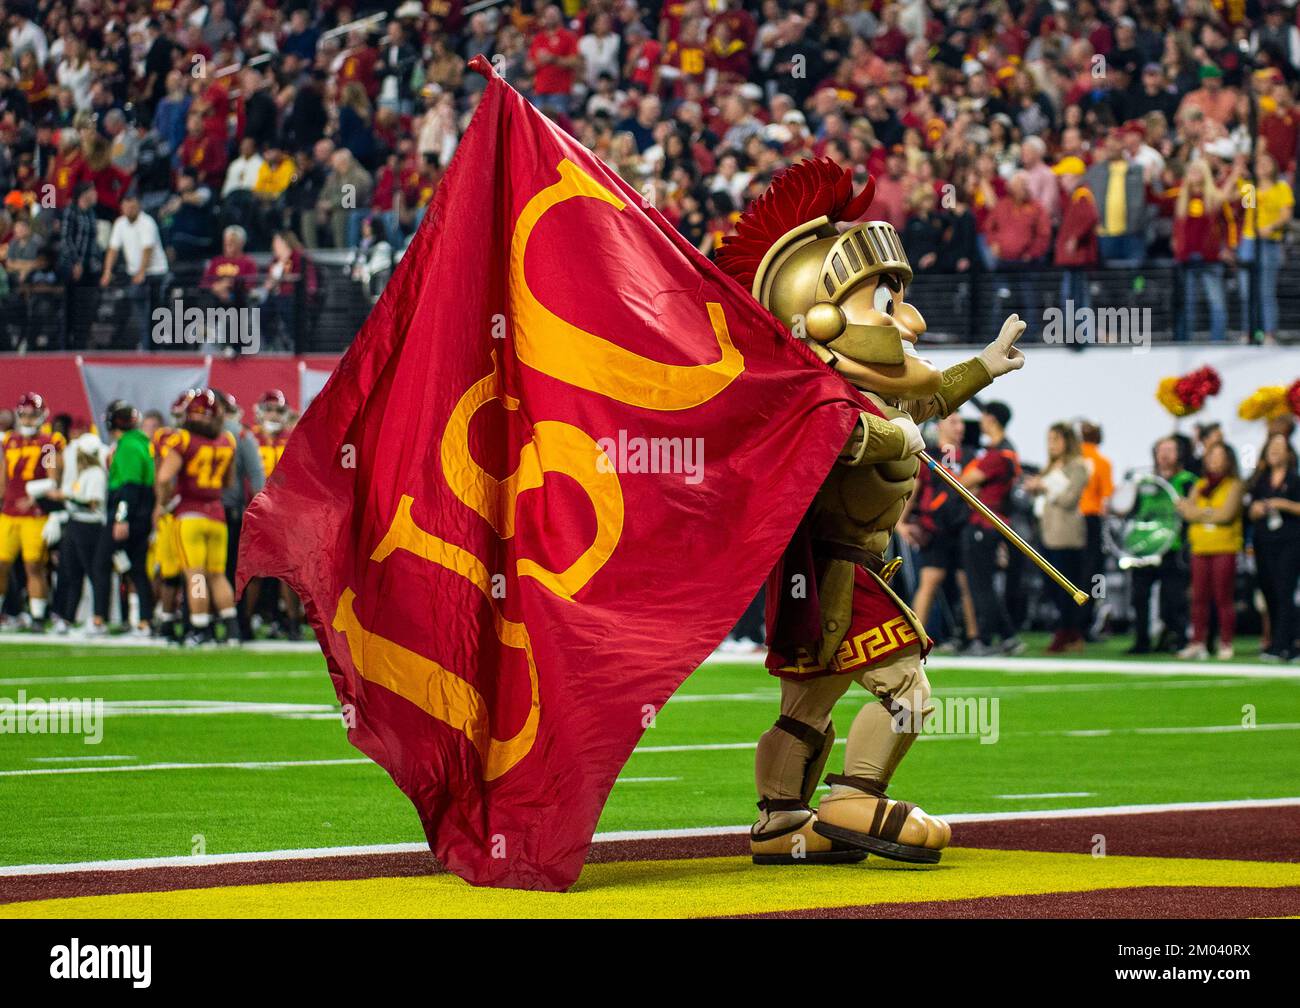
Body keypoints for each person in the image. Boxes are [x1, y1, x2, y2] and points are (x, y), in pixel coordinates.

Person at [713, 158, 1027, 867]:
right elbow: (833, 434)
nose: (905, 317)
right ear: (817, 316)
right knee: (908, 689)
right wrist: (893, 435)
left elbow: (924, 401)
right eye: (884, 302)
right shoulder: (811, 393)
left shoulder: (864, 389)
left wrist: (982, 365)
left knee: (808, 705)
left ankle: (779, 819)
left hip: (840, 569)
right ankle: (855, 797)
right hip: (837, 572)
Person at [154, 389, 239, 645]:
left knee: (196, 575)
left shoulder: (183, 439)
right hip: (217, 514)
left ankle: (200, 628)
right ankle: (231, 629)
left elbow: (164, 476)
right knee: (217, 574)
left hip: (189, 513)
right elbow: (228, 481)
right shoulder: (226, 441)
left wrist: (165, 501)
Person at [903, 412, 977, 652]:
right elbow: (916, 487)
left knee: (967, 582)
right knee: (930, 579)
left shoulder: (969, 455)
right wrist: (901, 523)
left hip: (963, 525)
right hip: (936, 527)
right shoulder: (929, 454)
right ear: (940, 425)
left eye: (961, 422)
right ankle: (915, 637)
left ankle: (973, 637)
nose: (960, 427)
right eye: (953, 422)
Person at [960, 401, 1025, 655]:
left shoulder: (998, 454)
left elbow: (964, 483)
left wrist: (972, 486)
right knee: (983, 583)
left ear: (992, 419)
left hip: (982, 522)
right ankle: (1004, 636)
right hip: (994, 522)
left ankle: (989, 639)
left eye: (984, 417)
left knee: (980, 584)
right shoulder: (1007, 451)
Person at [1024, 423, 1090, 653]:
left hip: (1066, 533)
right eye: (1049, 439)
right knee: (1050, 586)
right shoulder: (1050, 466)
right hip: (1047, 530)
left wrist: (1044, 487)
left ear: (1067, 441)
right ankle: (1070, 632)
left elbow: (1070, 498)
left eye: (1056, 439)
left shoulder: (1077, 466)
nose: (1051, 445)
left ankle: (1068, 631)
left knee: (1065, 586)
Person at [1127, 437, 1196, 654]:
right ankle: (1141, 640)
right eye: (1160, 450)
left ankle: (1177, 637)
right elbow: (1133, 510)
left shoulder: (1188, 481)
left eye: (1169, 450)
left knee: (1173, 598)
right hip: (1145, 546)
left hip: (1173, 547)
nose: (1164, 455)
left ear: (1180, 454)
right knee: (1139, 596)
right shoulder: (1146, 483)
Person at [0, 392, 63, 629]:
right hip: (8, 512)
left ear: (41, 416)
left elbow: (52, 480)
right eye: (24, 415)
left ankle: (38, 615)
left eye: (31, 415)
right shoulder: (9, 441)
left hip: (35, 514)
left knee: (33, 566)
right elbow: (3, 477)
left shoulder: (48, 443)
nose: (27, 420)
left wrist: (32, 496)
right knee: (1, 564)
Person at [1177, 442, 1244, 660]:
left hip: (1224, 546)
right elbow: (1187, 512)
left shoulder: (1234, 485)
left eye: (1219, 455)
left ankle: (1225, 642)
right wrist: (1206, 512)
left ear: (1229, 460)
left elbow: (1226, 515)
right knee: (1198, 598)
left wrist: (1199, 512)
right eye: (1211, 455)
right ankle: (1198, 642)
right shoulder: (1201, 484)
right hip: (1201, 547)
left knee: (1223, 597)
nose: (1214, 460)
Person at [96, 399, 154, 636]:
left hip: (128, 514)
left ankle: (98, 620)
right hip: (140, 514)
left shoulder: (128, 446)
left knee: (100, 563)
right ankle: (144, 621)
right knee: (136, 568)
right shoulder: (140, 443)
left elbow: (129, 487)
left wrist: (121, 518)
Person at [1247, 433, 1300, 661]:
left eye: (1280, 446)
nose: (1275, 451)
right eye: (1272, 447)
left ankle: (1285, 643)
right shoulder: (1259, 480)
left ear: (1289, 453)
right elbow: (1248, 511)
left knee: (1284, 589)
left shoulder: (1295, 480)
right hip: (1264, 541)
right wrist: (1256, 509)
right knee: (1268, 590)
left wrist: (1282, 504)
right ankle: (1277, 641)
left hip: (1289, 541)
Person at [48, 432, 107, 631]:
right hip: (76, 523)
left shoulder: (97, 474)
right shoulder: (84, 474)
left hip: (90, 526)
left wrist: (66, 497)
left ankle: (98, 619)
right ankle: (67, 617)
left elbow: (93, 503)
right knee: (70, 572)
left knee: (93, 572)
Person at [101, 193, 169, 351]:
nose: (129, 209)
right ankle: (144, 344)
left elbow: (148, 249)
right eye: (126, 205)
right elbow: (112, 249)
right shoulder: (120, 223)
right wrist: (107, 271)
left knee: (153, 311)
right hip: (135, 274)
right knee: (139, 310)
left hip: (155, 273)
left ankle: (153, 346)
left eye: (132, 205)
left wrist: (141, 272)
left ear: (139, 205)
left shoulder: (147, 222)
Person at [1237, 152, 1293, 344]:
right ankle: (1247, 332)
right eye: (1259, 162)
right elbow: (1244, 206)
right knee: (1246, 290)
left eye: (1266, 161)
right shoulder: (1251, 188)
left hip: (1270, 242)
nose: (1262, 165)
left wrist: (1272, 226)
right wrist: (1239, 171)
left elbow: (1286, 214)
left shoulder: (1281, 187)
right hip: (1249, 241)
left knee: (1266, 290)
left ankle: (1269, 333)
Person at [1173, 160, 1227, 342]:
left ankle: (1217, 342)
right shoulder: (1180, 197)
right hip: (1186, 258)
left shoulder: (1215, 197)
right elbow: (1156, 199)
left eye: (1199, 170)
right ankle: (1184, 342)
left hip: (1210, 258)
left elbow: (1243, 206)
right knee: (1187, 305)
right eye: (1191, 170)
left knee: (1217, 304)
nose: (1194, 174)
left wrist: (1240, 176)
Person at [1077, 421, 1114, 636]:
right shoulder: (1102, 462)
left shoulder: (1073, 459)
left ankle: (1072, 621)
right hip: (1091, 520)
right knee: (1093, 573)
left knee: (1072, 569)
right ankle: (1088, 618)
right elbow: (1107, 498)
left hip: (1071, 519)